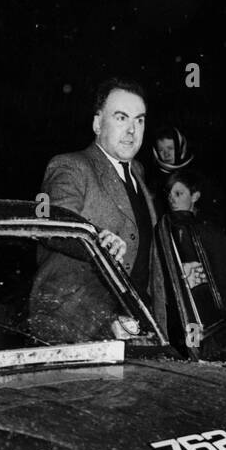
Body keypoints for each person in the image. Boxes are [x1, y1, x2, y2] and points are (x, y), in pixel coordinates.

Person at [40, 77, 166, 325]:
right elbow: (52, 225)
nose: (132, 130)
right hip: (77, 322)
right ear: (98, 123)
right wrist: (96, 237)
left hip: (138, 322)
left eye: (139, 120)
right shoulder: (71, 166)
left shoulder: (138, 172)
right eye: (121, 118)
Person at [155, 171, 226, 358]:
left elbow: (224, 281)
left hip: (204, 319)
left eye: (179, 194)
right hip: (175, 317)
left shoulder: (210, 234)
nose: (172, 200)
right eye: (169, 194)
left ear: (195, 196)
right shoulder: (164, 229)